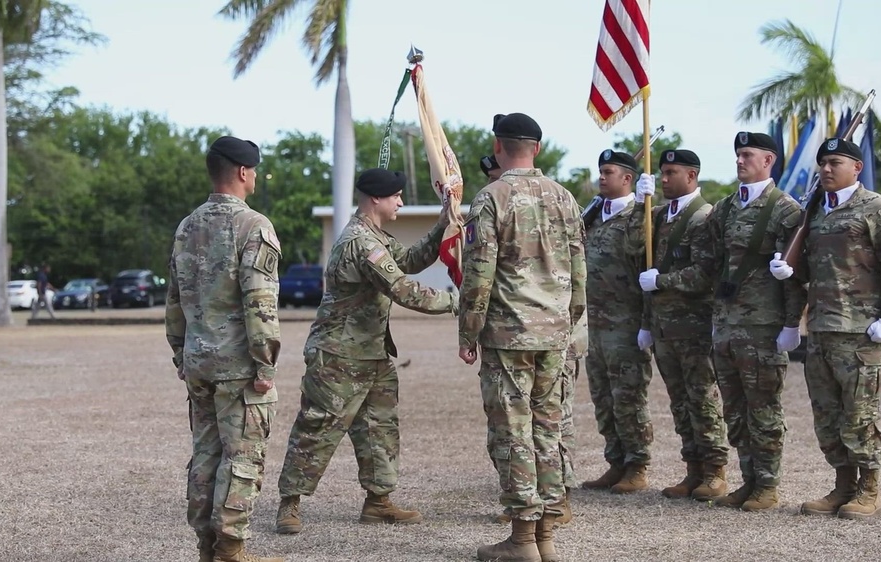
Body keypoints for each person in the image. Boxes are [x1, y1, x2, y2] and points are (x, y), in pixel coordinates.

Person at [275, 167, 457, 534]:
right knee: (317, 429)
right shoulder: (361, 242)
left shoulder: (374, 236)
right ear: (376, 198)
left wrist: (443, 225)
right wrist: (459, 300)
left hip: (371, 353)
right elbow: (403, 288)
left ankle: (378, 502)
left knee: (380, 430)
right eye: (396, 196)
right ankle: (289, 504)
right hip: (338, 357)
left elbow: (409, 260)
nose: (401, 202)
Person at [459, 112, 585, 562]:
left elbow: (478, 275)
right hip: (554, 333)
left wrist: (469, 332)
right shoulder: (565, 198)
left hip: (508, 336)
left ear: (498, 146)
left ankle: (522, 540)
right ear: (538, 146)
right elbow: (579, 270)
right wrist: (568, 321)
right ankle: (546, 538)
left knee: (514, 435)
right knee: (547, 433)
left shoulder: (491, 198)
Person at [165, 135, 284, 562]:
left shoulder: (187, 226)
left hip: (199, 362)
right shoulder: (254, 226)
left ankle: (206, 547)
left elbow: (175, 300)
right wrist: (265, 362)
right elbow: (260, 303)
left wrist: (181, 354)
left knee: (206, 455)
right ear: (243, 172)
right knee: (242, 457)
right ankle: (231, 550)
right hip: (239, 366)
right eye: (254, 169)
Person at [769, 138, 881, 519]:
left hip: (861, 333)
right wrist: (789, 269)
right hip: (822, 329)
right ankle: (842, 486)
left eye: (835, 163)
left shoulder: (879, 210)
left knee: (860, 415)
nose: (826, 169)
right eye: (822, 163)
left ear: (856, 168)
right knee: (826, 416)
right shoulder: (816, 214)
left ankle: (869, 490)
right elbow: (817, 269)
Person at [704, 132, 806, 512]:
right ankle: (748, 479)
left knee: (763, 408)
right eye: (737, 154)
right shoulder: (727, 207)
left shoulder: (785, 209)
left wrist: (791, 324)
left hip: (763, 325)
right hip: (728, 323)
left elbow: (794, 274)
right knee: (734, 409)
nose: (739, 160)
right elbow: (715, 263)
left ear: (768, 161)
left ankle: (767, 484)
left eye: (747, 154)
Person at [627, 149, 730, 501]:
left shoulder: (704, 217)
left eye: (672, 172)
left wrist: (664, 281)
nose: (665, 178)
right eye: (662, 172)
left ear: (692, 175)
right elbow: (632, 250)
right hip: (663, 326)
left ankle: (715, 471)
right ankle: (693, 469)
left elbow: (706, 274)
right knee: (679, 402)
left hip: (693, 326)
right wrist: (637, 205)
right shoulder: (657, 215)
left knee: (702, 399)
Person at [581, 148, 654, 495]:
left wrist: (642, 208)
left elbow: (639, 249)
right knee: (603, 398)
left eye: (608, 172)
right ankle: (615, 461)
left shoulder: (639, 218)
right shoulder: (593, 216)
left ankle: (637, 465)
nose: (601, 177)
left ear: (627, 179)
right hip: (594, 323)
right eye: (601, 171)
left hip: (625, 323)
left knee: (628, 398)